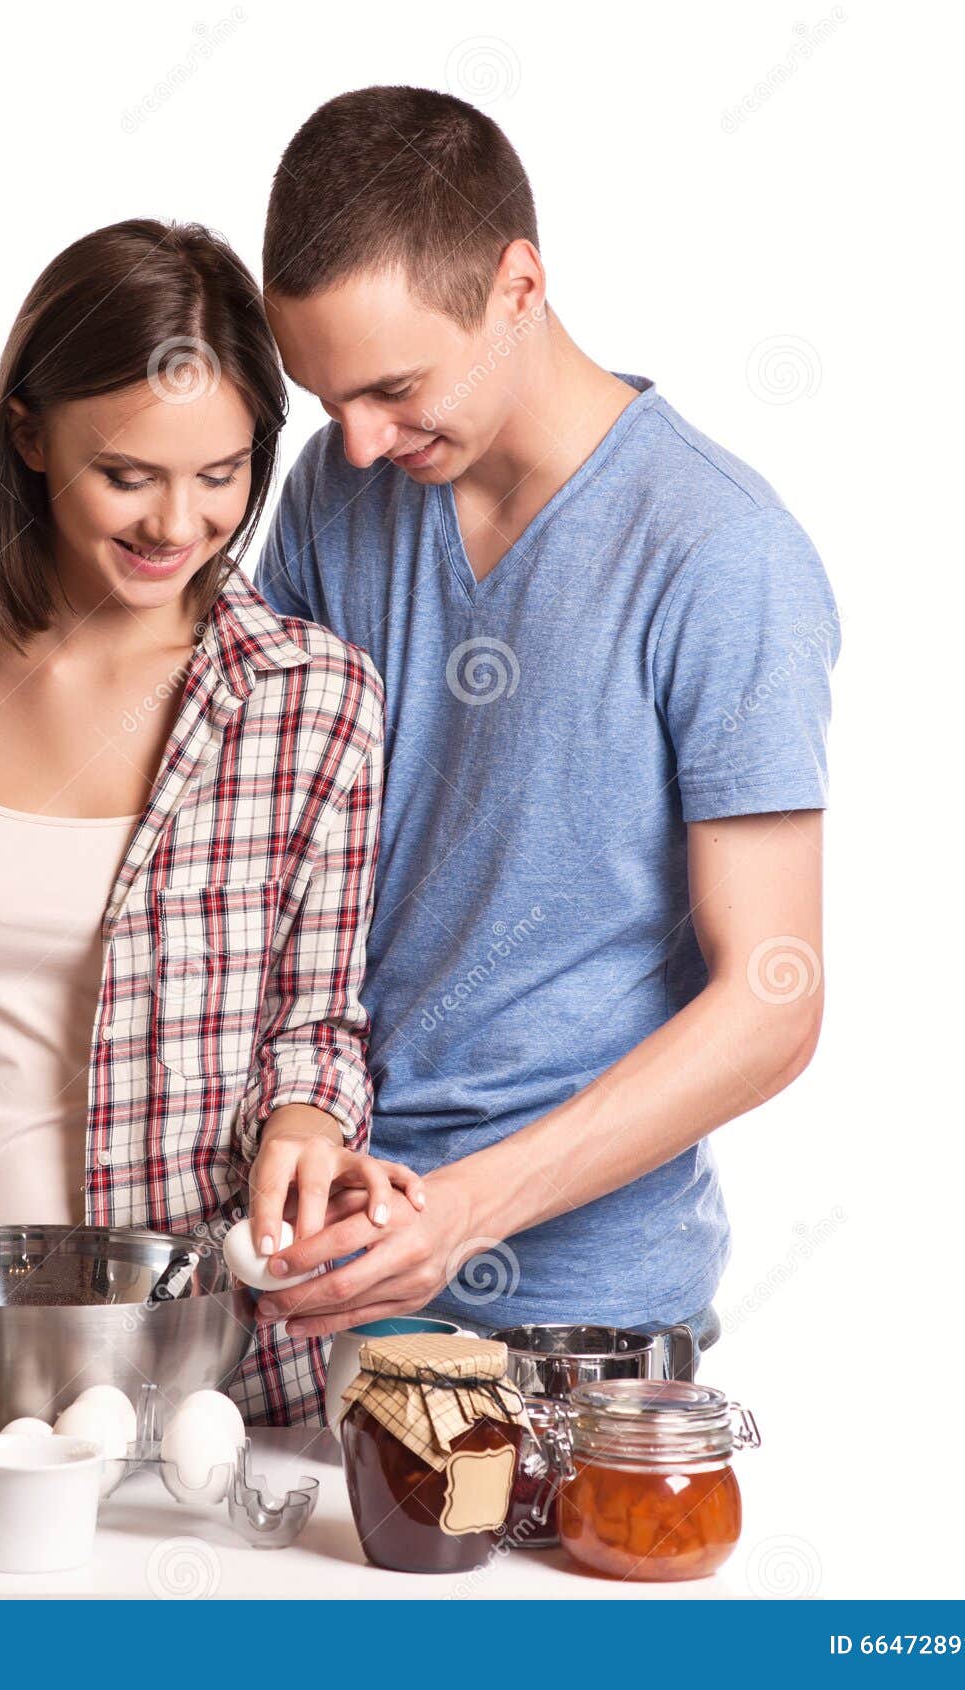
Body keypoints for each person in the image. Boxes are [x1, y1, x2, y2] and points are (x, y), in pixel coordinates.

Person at [0, 219, 418, 1426]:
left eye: (221, 476)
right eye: (129, 474)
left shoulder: (312, 701)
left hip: (205, 1382)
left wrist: (308, 1128)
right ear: (29, 433)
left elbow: (320, 1023)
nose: (178, 523)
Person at [251, 88, 840, 1356]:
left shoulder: (721, 553)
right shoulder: (332, 489)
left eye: (396, 389)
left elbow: (773, 998)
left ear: (518, 285)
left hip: (588, 1329)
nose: (355, 442)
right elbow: (264, 853)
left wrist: (464, 1209)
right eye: (325, 399)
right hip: (317, 1293)